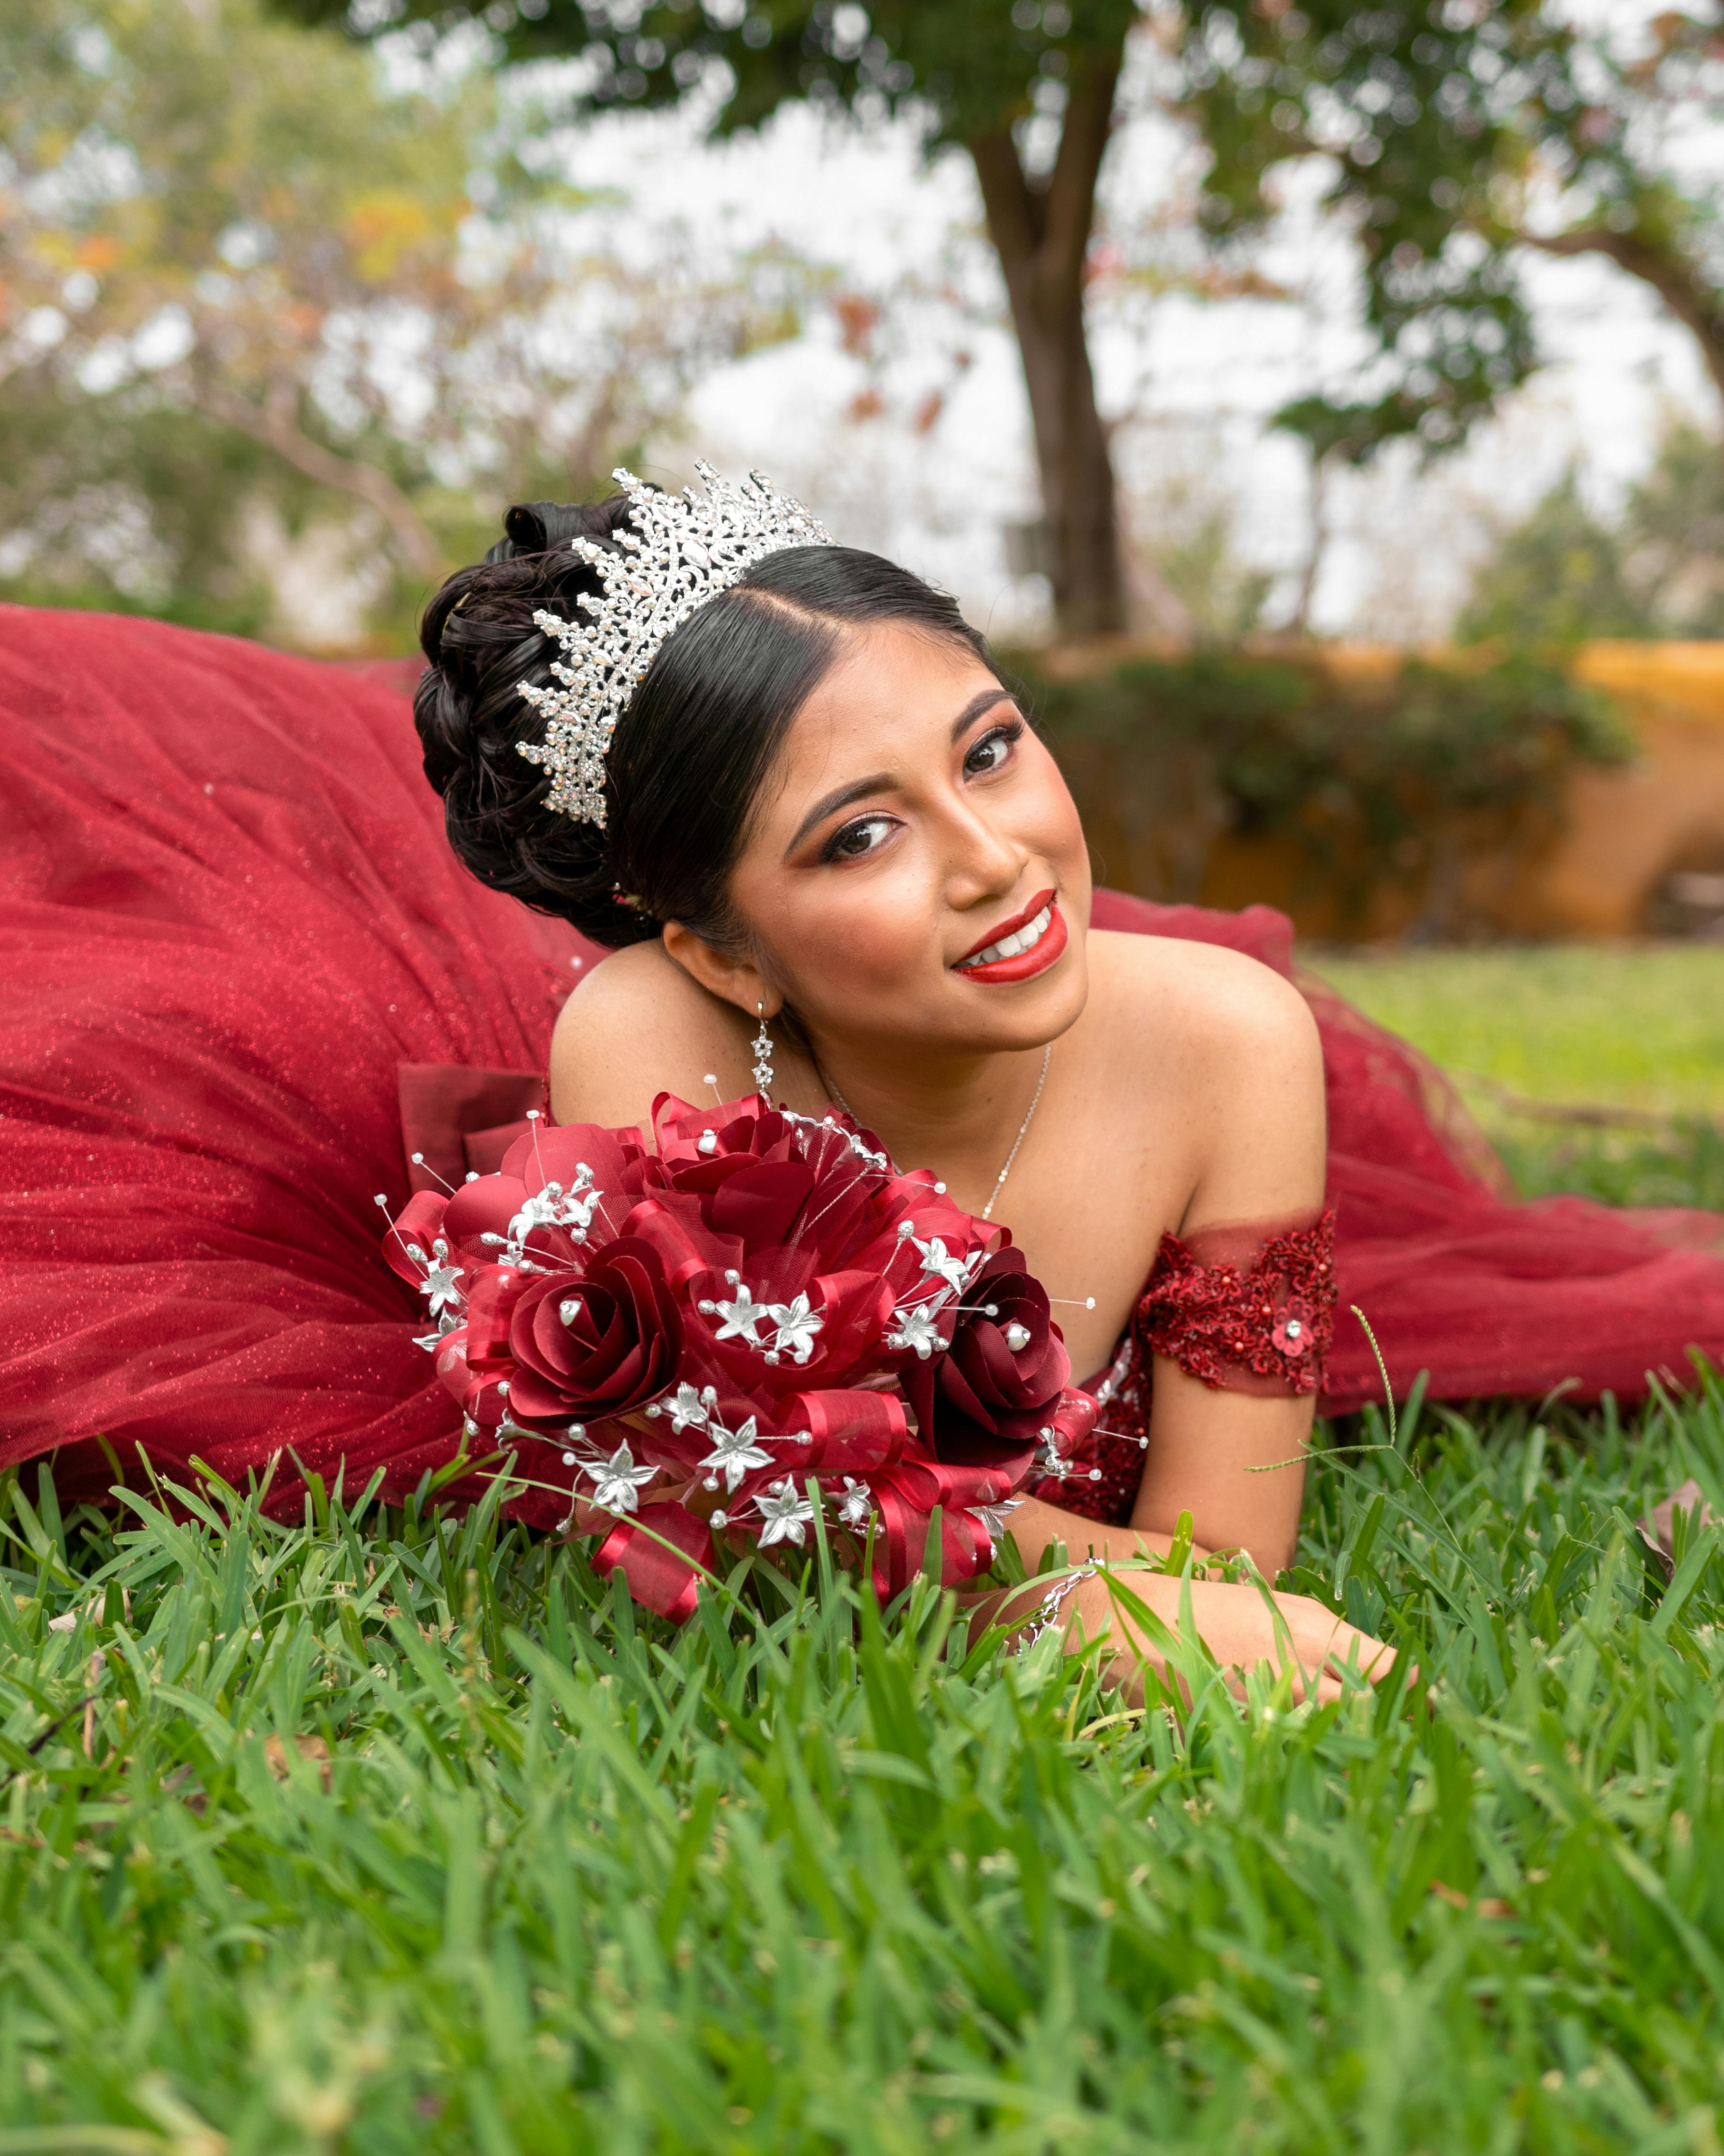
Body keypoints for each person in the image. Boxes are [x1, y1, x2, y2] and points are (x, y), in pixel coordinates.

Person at [7, 465, 1724, 1697]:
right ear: (729, 952)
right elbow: (725, 1513)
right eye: (861, 834)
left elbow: (1226, 1561)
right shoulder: (650, 1038)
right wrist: (1054, 1583)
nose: (997, 859)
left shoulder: (1225, 1042)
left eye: (989, 748)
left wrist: (1026, 1562)